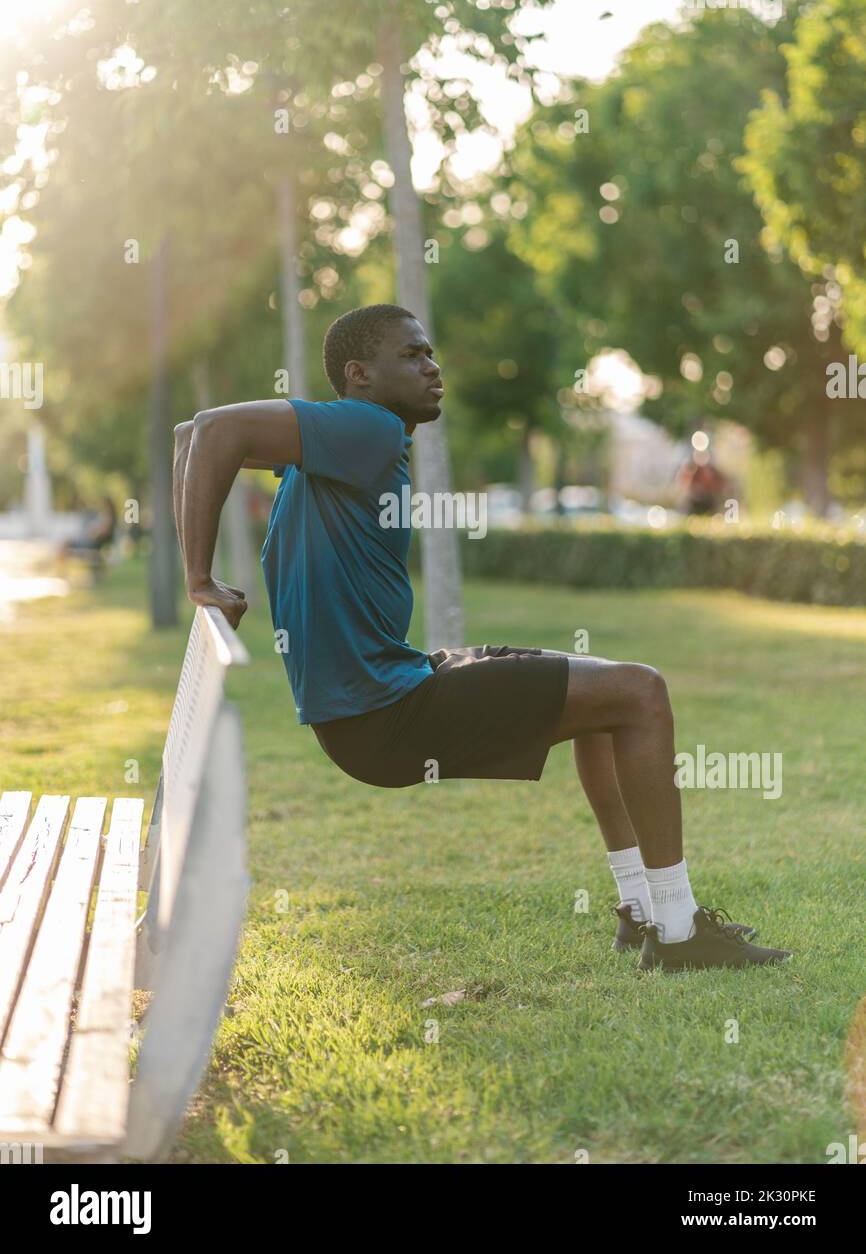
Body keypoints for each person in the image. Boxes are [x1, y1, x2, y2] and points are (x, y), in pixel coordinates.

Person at [172, 304, 790, 973]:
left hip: (377, 704)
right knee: (642, 692)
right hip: (387, 712)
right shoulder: (368, 427)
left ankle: (642, 911)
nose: (432, 367)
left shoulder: (329, 443)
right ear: (359, 375)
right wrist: (200, 578)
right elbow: (211, 431)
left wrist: (204, 563)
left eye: (430, 353)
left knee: (605, 689)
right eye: (411, 356)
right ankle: (677, 932)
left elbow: (189, 436)